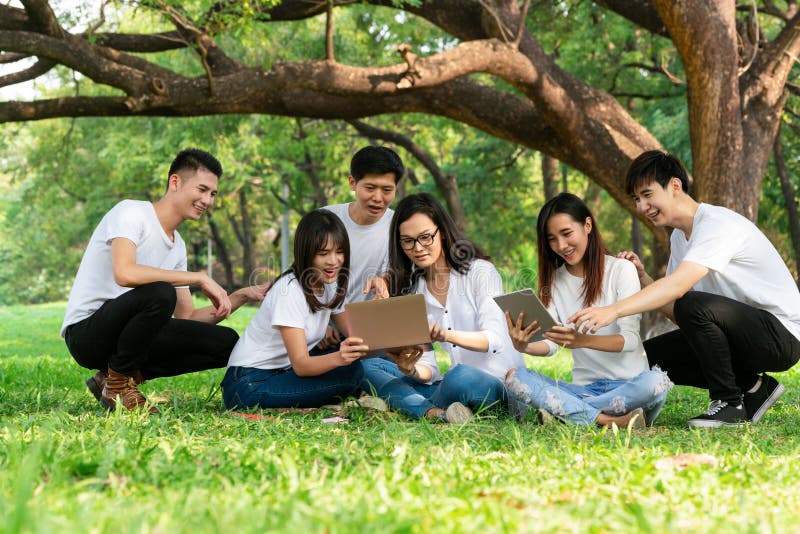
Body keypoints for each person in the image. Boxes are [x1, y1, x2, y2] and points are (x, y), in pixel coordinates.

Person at [569, 150, 800, 428]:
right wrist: (643, 277)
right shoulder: (680, 237)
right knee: (648, 357)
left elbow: (680, 292)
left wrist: (613, 311)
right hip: (745, 335)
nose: (642, 207)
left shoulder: (717, 223)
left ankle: (729, 404)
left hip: (782, 336)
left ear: (675, 186)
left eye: (647, 194)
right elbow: (681, 313)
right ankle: (753, 387)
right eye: (636, 199)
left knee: (691, 303)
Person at [61, 148, 266, 412]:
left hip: (128, 339)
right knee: (160, 292)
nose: (208, 200)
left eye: (213, 194)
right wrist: (198, 277)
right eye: (202, 189)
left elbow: (187, 319)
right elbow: (125, 273)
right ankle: (118, 386)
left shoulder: (177, 246)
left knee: (226, 342)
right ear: (175, 182)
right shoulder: (131, 213)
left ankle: (113, 378)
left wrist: (240, 296)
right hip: (87, 334)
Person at [502, 193, 672, 428]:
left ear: (587, 225)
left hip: (631, 386)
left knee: (656, 381)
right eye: (551, 239)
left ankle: (569, 411)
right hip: (585, 388)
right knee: (515, 377)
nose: (561, 246)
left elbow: (630, 340)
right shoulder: (555, 281)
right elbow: (551, 344)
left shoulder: (621, 270)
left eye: (567, 233)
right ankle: (608, 420)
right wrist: (524, 345)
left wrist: (582, 340)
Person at [361, 193, 525, 423]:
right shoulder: (415, 289)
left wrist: (446, 335)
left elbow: (495, 340)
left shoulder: (481, 272)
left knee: (458, 377)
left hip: (495, 383)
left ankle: (413, 403)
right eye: (407, 241)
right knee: (370, 367)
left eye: (425, 237)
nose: (417, 248)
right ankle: (437, 412)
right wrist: (410, 370)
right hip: (450, 385)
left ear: (443, 232)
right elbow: (429, 368)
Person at [221, 209, 368, 409]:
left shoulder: (330, 283)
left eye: (339, 251)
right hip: (249, 384)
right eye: (323, 253)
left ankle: (320, 400)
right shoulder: (290, 290)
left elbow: (358, 334)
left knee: (350, 361)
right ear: (306, 253)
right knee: (351, 373)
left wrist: (398, 344)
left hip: (283, 372)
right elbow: (302, 365)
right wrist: (340, 357)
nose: (334, 261)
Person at [314, 146, 402, 352]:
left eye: (387, 190)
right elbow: (306, 276)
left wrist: (384, 279)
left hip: (371, 324)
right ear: (352, 183)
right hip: (326, 324)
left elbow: (397, 269)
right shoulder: (326, 218)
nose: (378, 198)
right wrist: (318, 324)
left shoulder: (399, 225)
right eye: (370, 188)